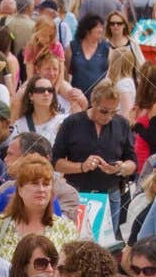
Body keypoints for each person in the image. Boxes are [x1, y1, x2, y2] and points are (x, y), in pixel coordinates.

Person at [51, 80, 137, 233]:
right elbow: (56, 161)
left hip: (110, 193)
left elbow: (133, 162)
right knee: (75, 241)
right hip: (78, 193)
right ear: (93, 103)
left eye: (113, 112)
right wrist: (82, 167)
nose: (109, 117)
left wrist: (121, 167)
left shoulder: (121, 124)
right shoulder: (72, 123)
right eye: (104, 111)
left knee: (108, 247)